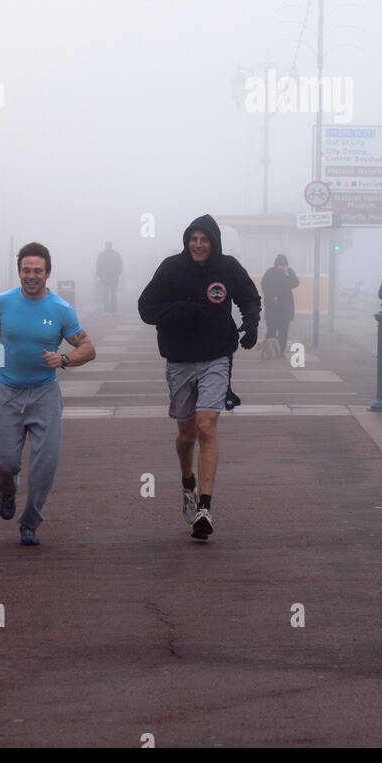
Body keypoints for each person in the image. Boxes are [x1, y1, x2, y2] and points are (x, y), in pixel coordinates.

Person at [137, 214, 260, 540]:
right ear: (187, 241)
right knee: (187, 434)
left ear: (214, 242)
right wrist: (179, 310)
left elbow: (249, 296)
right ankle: (186, 481)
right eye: (194, 238)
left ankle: (205, 507)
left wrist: (252, 322)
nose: (199, 244)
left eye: (205, 239)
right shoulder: (170, 268)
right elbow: (146, 308)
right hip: (179, 360)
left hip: (216, 358)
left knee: (207, 425)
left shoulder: (228, 267)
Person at [0, 242, 96, 546]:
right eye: (26, 270)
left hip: (44, 394)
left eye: (37, 270)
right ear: (19, 272)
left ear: (48, 273)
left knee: (45, 465)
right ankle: (7, 490)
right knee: (3, 463)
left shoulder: (61, 309)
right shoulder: (2, 303)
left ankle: (30, 522)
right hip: (7, 393)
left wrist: (64, 359)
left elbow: (88, 348)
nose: (31, 275)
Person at [261, 253, 300, 357]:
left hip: (286, 307)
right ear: (276, 264)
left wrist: (287, 274)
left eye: (284, 264)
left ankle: (280, 351)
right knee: (271, 329)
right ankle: (268, 349)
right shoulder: (270, 272)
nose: (282, 267)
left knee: (284, 330)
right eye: (280, 264)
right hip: (272, 306)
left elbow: (296, 283)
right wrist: (270, 296)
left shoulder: (289, 272)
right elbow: (264, 285)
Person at [96, 241, 123, 314]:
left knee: (105, 294)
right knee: (113, 294)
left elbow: (98, 266)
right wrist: (118, 274)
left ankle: (106, 310)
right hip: (114, 277)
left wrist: (100, 275)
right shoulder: (116, 254)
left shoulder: (101, 255)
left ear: (105, 246)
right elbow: (120, 266)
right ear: (111, 246)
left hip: (104, 278)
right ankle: (113, 310)